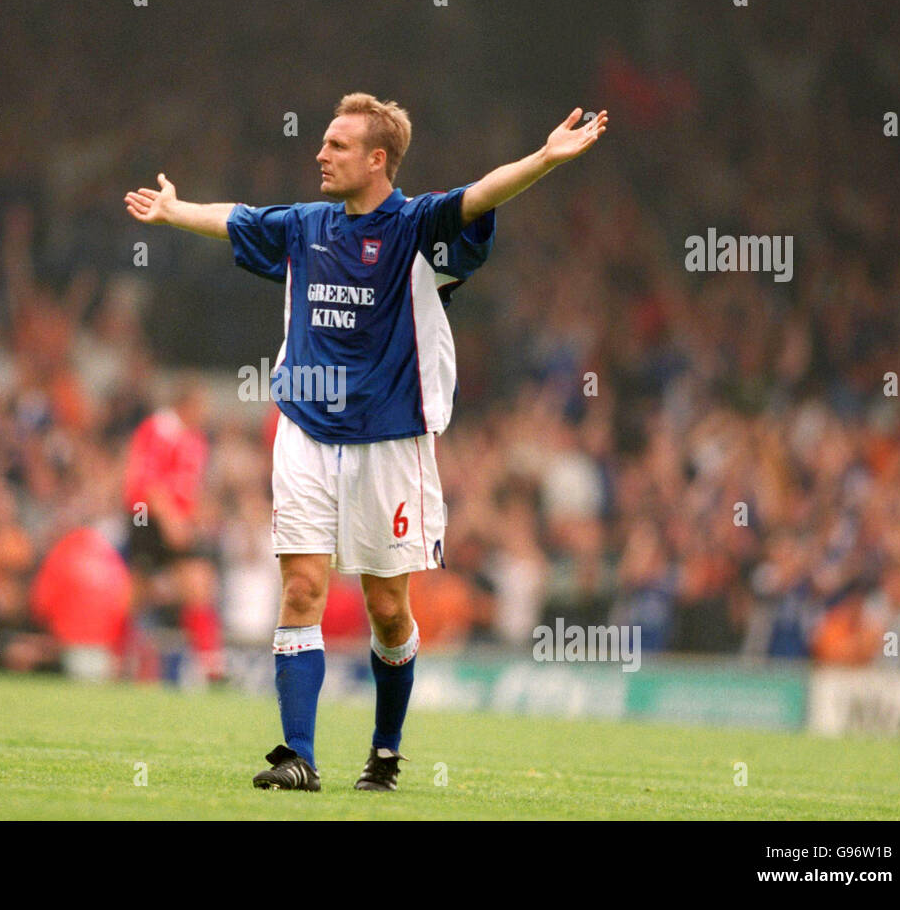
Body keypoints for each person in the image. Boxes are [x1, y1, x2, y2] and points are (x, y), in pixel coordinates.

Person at [126, 92, 607, 791]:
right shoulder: (305, 226)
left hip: (390, 440)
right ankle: (297, 755)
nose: (320, 153)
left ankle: (385, 750)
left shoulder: (414, 225)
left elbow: (479, 195)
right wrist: (174, 211)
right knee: (301, 588)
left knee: (387, 608)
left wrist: (544, 158)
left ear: (377, 159)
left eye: (338, 145)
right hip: (305, 432)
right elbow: (236, 218)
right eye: (323, 142)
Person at [121, 378, 224, 682]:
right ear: (186, 404)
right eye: (202, 406)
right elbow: (150, 481)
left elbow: (190, 487)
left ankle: (212, 667)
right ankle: (120, 658)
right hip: (149, 519)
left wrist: (200, 515)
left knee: (198, 583)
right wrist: (170, 522)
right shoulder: (161, 427)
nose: (206, 413)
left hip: (176, 520)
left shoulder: (196, 440)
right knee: (138, 592)